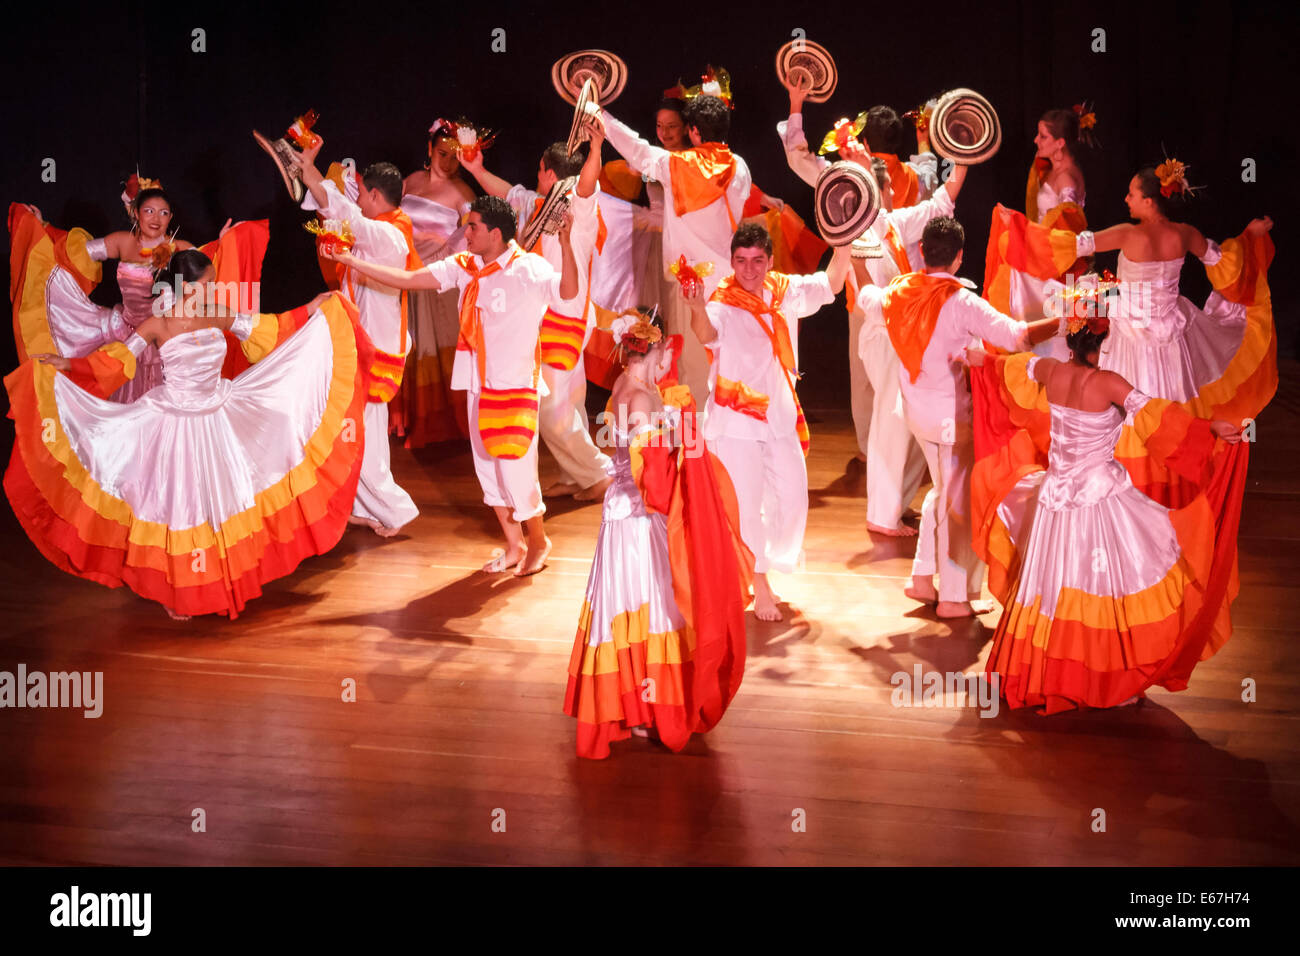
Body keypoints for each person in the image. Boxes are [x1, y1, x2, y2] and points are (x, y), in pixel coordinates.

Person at [4, 249, 370, 619]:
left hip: (219, 416)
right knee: (182, 509)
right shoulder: (158, 324)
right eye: (206, 284)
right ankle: (178, 591)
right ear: (185, 285)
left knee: (222, 505)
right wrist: (68, 363)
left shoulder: (215, 312)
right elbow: (116, 361)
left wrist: (311, 308)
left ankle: (216, 579)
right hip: (174, 423)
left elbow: (268, 328)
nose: (212, 289)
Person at [970, 314, 1247, 712]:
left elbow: (1011, 367)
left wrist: (980, 359)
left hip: (1055, 497)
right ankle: (1109, 678)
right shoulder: (1108, 382)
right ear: (1101, 345)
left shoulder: (1051, 371)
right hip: (1099, 497)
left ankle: (1054, 674)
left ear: (1071, 342)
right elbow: (1156, 416)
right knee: (1112, 587)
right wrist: (1210, 429)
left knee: (1056, 588)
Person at [326, 196, 580, 576]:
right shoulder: (465, 267)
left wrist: (566, 242)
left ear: (495, 233)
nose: (466, 233)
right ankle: (515, 545)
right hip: (479, 384)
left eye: (473, 226)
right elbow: (410, 279)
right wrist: (348, 260)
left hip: (515, 389)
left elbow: (570, 292)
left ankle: (539, 542)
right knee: (488, 471)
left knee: (516, 472)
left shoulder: (530, 269)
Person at [564, 312, 751, 758]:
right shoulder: (642, 399)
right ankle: (649, 711)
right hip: (638, 517)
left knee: (636, 609)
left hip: (628, 510)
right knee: (651, 609)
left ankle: (634, 705)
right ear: (658, 347)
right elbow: (657, 478)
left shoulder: (633, 387)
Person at [857, 217, 1059, 617]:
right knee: (957, 505)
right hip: (951, 418)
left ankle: (920, 579)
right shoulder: (961, 301)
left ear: (923, 252)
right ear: (959, 256)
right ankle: (952, 598)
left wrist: (853, 254)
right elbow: (1017, 336)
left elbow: (866, 295)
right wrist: (1069, 320)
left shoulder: (899, 293)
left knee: (942, 491)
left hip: (916, 413)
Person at [683, 222, 851, 622]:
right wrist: (693, 307)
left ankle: (754, 565)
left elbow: (831, 283)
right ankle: (760, 584)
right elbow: (706, 332)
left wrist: (843, 245)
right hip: (736, 422)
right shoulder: (723, 301)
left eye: (757, 261)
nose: (749, 269)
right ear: (732, 261)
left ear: (770, 260)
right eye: (741, 261)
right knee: (747, 506)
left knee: (793, 499)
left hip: (778, 416)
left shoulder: (784, 291)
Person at [459, 126, 614, 502]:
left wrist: (596, 147)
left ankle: (597, 473)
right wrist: (477, 170)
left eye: (539, 170)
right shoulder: (536, 205)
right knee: (567, 403)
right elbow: (509, 192)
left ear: (548, 171)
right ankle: (573, 474)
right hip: (544, 315)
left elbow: (588, 182)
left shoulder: (577, 204)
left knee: (550, 408)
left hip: (566, 316)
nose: (535, 176)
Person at [9, 184, 266, 402]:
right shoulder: (123, 242)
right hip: (127, 335)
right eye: (149, 211)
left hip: (166, 338)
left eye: (164, 213)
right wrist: (42, 227)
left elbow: (205, 272)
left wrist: (223, 243)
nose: (156, 218)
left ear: (171, 217)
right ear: (136, 213)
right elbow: (69, 255)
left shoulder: (180, 248)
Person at [291, 137, 421, 537]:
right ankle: (366, 508)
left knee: (364, 435)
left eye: (363, 192)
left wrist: (311, 170)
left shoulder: (391, 235)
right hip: (358, 344)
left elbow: (349, 218)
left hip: (374, 350)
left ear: (376, 194)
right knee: (356, 431)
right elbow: (346, 216)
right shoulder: (382, 229)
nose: (359, 198)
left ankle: (392, 512)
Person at [1076, 168, 1274, 419]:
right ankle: (1172, 441)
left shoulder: (1128, 234)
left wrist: (1036, 237)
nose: (1126, 199)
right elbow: (1224, 262)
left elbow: (1076, 245)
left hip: (1130, 332)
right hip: (1171, 330)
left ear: (1149, 202)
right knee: (1172, 405)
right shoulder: (1186, 234)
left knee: (1126, 408)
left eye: (1131, 194)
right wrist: (1249, 237)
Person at [842, 145, 966, 537]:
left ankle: (895, 502)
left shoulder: (894, 222)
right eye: (887, 187)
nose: (894, 192)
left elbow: (944, 198)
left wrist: (965, 156)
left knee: (911, 425)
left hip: (904, 334)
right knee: (893, 424)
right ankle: (881, 515)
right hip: (882, 335)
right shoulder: (859, 235)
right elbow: (865, 297)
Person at [599, 92, 753, 402]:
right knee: (730, 362)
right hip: (730, 282)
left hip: (690, 284)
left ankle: (697, 443)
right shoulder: (740, 167)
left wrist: (599, 114)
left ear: (692, 130)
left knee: (692, 365)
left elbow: (636, 148)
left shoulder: (676, 166)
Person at [984, 105, 1094, 360]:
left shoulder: (1067, 180)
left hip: (1054, 266)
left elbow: (1065, 231)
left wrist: (1016, 224)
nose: (1036, 140)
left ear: (1060, 143)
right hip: (1040, 256)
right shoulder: (1050, 168)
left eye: (1043, 136)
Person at [394, 119, 476, 447]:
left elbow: (471, 234)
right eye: (443, 153)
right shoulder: (410, 181)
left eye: (455, 156)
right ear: (429, 149)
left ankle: (442, 421)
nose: (449, 162)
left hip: (437, 279)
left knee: (435, 345)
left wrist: (436, 244)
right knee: (410, 344)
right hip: (404, 273)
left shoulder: (463, 192)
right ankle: (408, 415)